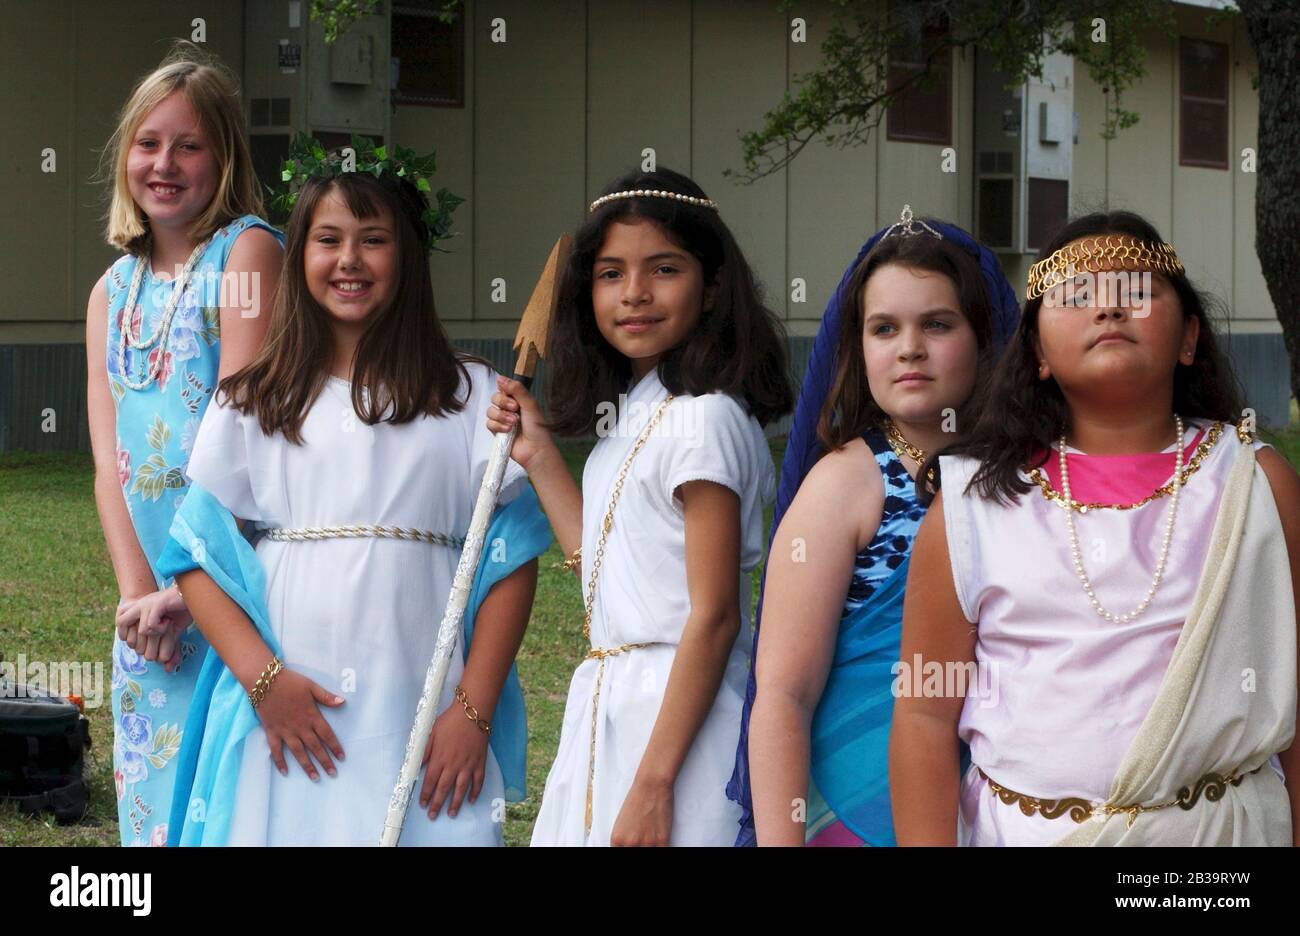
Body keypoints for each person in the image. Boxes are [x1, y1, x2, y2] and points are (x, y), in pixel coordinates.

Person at [158, 140, 548, 845]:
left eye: (374, 240)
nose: (349, 260)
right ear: (298, 254)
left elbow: (511, 562)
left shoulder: (470, 400)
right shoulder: (253, 401)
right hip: (290, 709)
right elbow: (194, 557)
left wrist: (473, 710)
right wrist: (264, 683)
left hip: (422, 708)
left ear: (409, 258)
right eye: (328, 240)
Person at [891, 210, 1300, 846]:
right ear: (1037, 353)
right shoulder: (971, 505)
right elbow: (922, 712)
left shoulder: (1256, 484)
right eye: (1077, 295)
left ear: (1189, 337)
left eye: (1137, 290)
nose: (1109, 310)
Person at [488, 168, 794, 845]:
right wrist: (539, 454)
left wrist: (654, 785)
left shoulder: (705, 419)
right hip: (614, 705)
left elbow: (714, 616)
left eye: (663, 269)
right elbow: (596, 570)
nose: (634, 294)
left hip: (680, 723)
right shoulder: (632, 418)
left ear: (712, 285)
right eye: (610, 274)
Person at [735, 209, 1019, 846]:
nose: (909, 347)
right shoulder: (847, 484)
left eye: (938, 324)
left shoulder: (1024, 477)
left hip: (1014, 811)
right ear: (857, 347)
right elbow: (782, 695)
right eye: (884, 328)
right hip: (859, 816)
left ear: (987, 335)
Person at [87, 41, 282, 846]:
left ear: (223, 155)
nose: (164, 163)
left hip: (233, 586)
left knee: (228, 809)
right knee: (155, 821)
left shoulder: (245, 253)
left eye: (188, 144)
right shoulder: (109, 290)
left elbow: (246, 434)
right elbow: (107, 462)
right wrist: (140, 598)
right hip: (149, 611)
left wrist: (190, 591)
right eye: (148, 142)